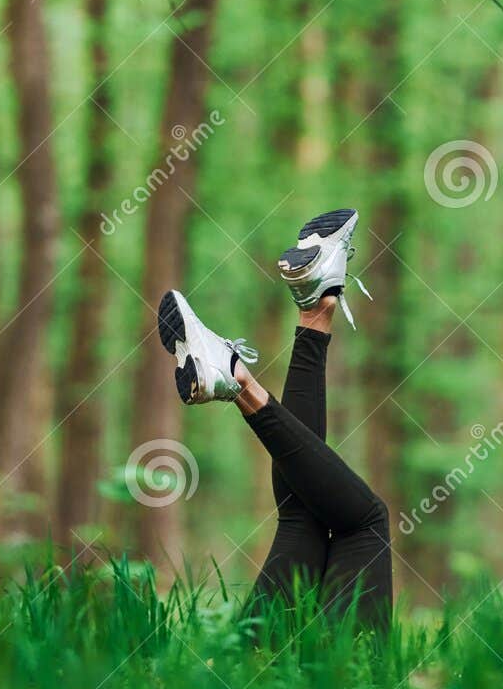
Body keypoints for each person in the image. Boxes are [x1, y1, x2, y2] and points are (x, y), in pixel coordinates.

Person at [156, 209, 392, 630]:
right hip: (289, 674)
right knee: (309, 516)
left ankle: (240, 379)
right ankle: (313, 312)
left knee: (358, 522)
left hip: (300, 673)